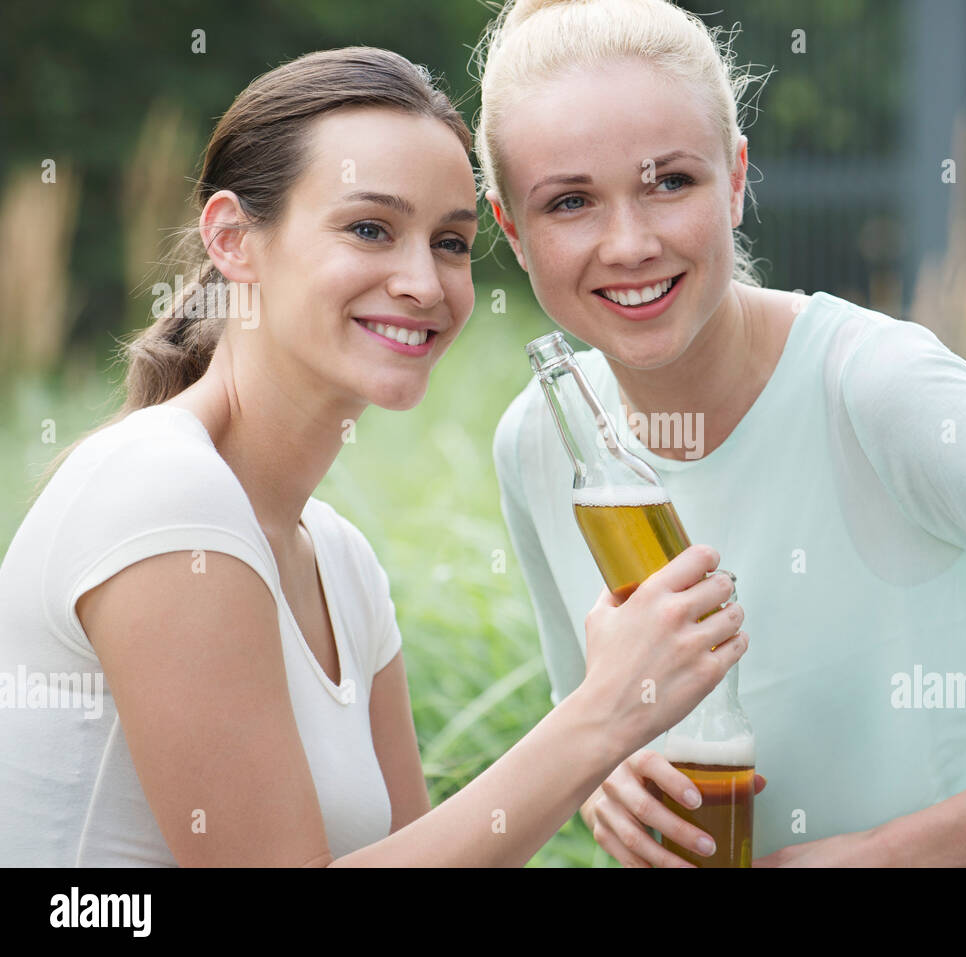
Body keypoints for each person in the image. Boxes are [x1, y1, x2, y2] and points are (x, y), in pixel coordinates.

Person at [477, 0, 966, 867]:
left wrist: (887, 854)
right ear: (512, 231)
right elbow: (587, 721)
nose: (629, 242)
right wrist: (608, 779)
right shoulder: (540, 440)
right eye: (570, 202)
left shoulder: (883, 389)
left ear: (739, 175)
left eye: (670, 182)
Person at [0, 46, 747, 867]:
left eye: (452, 243)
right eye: (370, 229)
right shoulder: (160, 491)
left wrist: (608, 738)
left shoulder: (342, 564)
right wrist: (601, 715)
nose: (423, 283)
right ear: (232, 240)